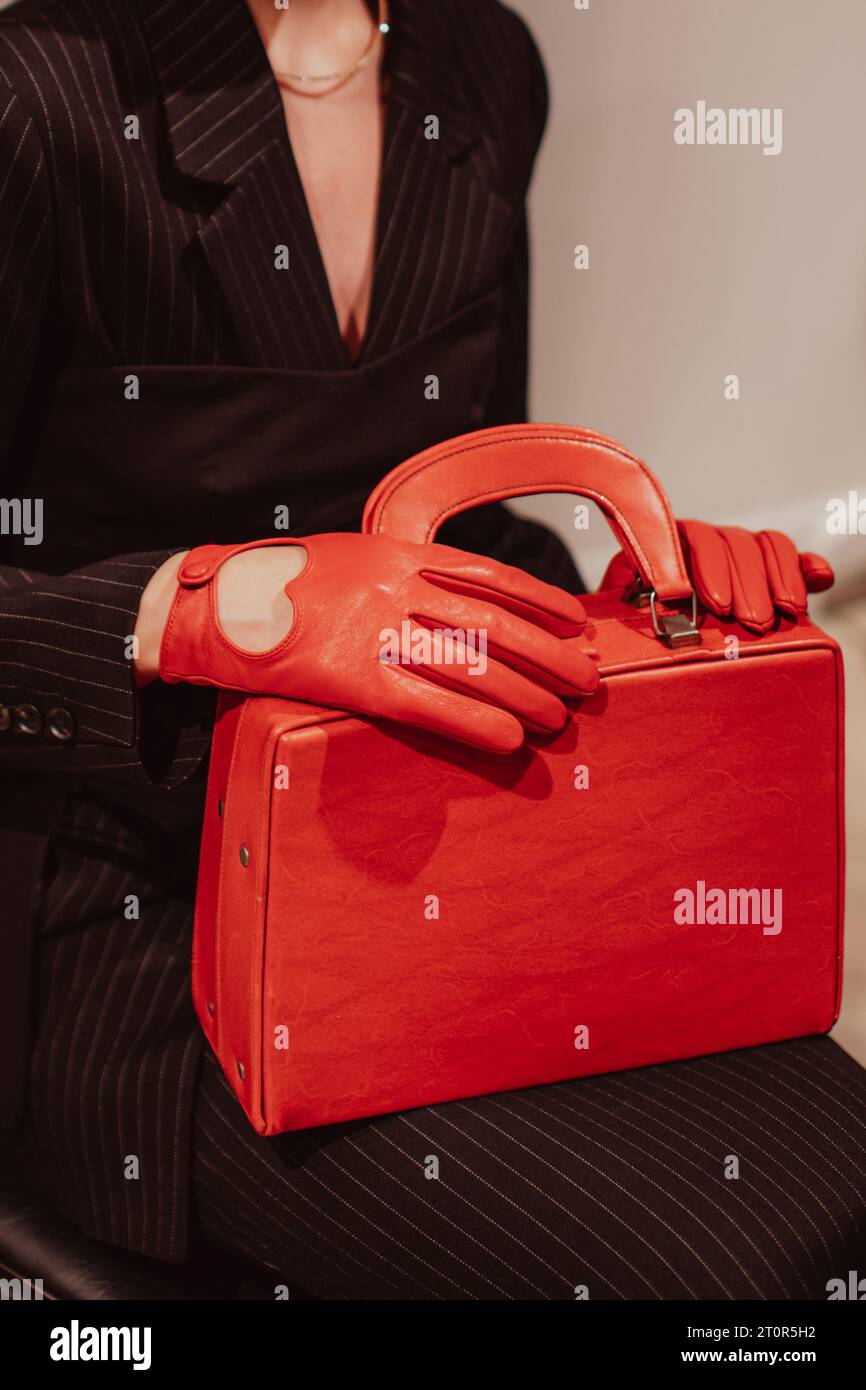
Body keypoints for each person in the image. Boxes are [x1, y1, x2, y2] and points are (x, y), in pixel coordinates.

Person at [0, 0, 850, 1300]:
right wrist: (201, 606)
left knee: (832, 1191)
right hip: (142, 915)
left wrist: (638, 607)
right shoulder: (37, 99)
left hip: (452, 845)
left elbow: (470, 512)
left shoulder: (482, 61)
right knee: (717, 1268)